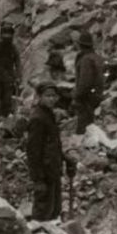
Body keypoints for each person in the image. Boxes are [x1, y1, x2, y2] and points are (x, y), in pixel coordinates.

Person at [26, 81, 76, 220]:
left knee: (55, 210)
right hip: (44, 173)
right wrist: (38, 179)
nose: (52, 99)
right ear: (39, 96)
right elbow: (33, 151)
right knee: (42, 212)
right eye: (48, 96)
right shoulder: (37, 118)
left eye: (54, 96)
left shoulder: (49, 114)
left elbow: (53, 145)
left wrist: (65, 159)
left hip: (53, 170)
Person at [73, 29, 105, 135]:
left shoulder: (86, 60)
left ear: (80, 45)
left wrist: (77, 96)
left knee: (84, 128)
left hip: (87, 99)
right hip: (97, 96)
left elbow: (85, 83)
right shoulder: (97, 57)